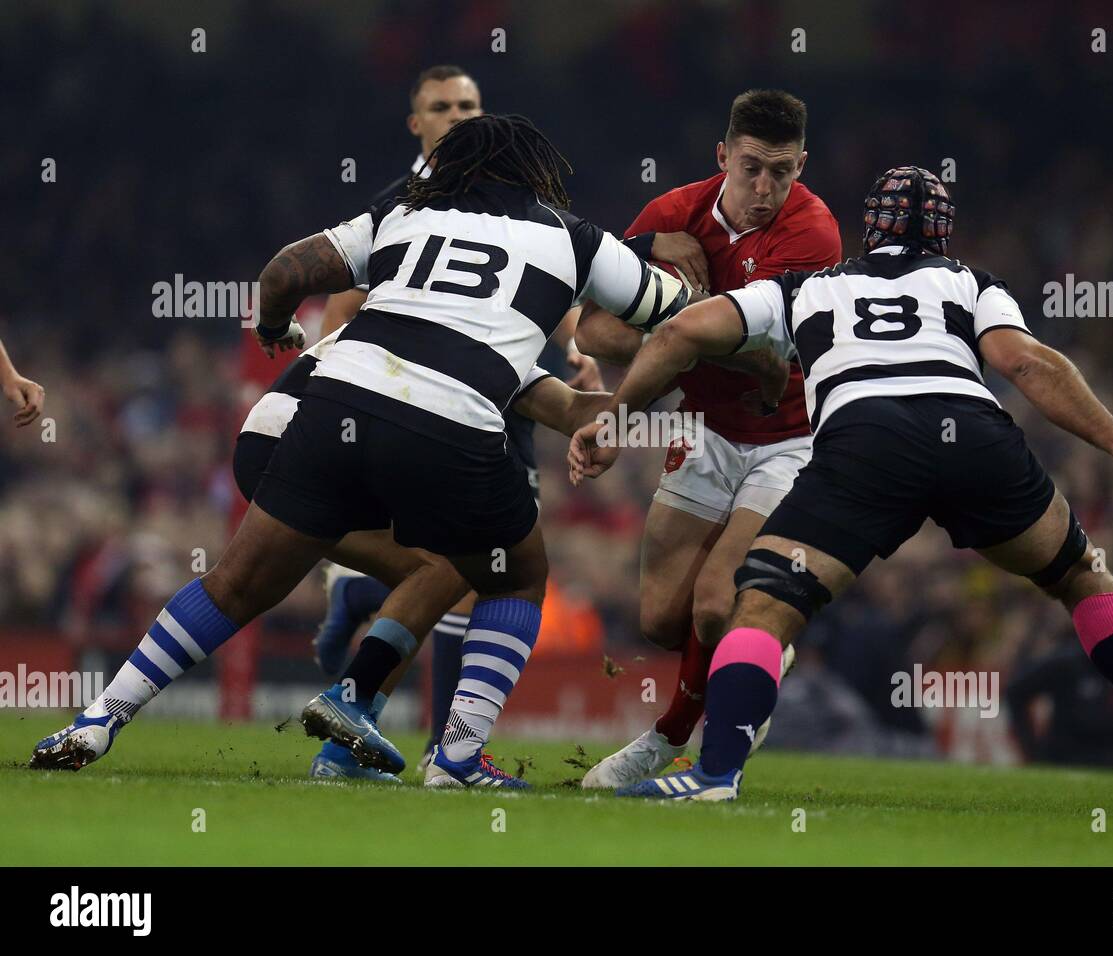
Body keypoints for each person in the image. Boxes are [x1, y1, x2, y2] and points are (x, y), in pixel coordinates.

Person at [30, 114, 690, 787]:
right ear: (536, 177)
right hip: (439, 428)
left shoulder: (405, 218)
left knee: (236, 584)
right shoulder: (565, 246)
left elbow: (287, 269)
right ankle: (451, 754)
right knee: (505, 573)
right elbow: (678, 315)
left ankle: (101, 718)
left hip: (317, 416)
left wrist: (274, 325)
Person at [568, 166, 1113, 804]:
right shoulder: (969, 282)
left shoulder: (809, 287)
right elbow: (1028, 363)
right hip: (974, 437)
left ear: (871, 227)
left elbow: (685, 329)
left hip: (866, 445)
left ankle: (717, 773)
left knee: (761, 610)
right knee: (1081, 576)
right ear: (943, 233)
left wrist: (620, 418)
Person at [573, 89, 841, 788]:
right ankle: (762, 654)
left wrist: (680, 326)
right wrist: (650, 264)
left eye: (782, 172)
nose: (765, 188)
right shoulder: (672, 217)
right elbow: (591, 329)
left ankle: (666, 741)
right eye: (751, 167)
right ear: (722, 155)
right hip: (703, 427)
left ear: (802, 166)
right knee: (662, 620)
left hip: (790, 436)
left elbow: (768, 365)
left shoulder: (814, 235)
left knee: (718, 600)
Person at [233, 327, 612, 780]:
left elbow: (570, 296)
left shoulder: (480, 284)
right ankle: (443, 750)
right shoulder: (422, 296)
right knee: (476, 566)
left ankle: (357, 737)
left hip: (482, 392)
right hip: (437, 397)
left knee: (458, 570)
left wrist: (576, 349)